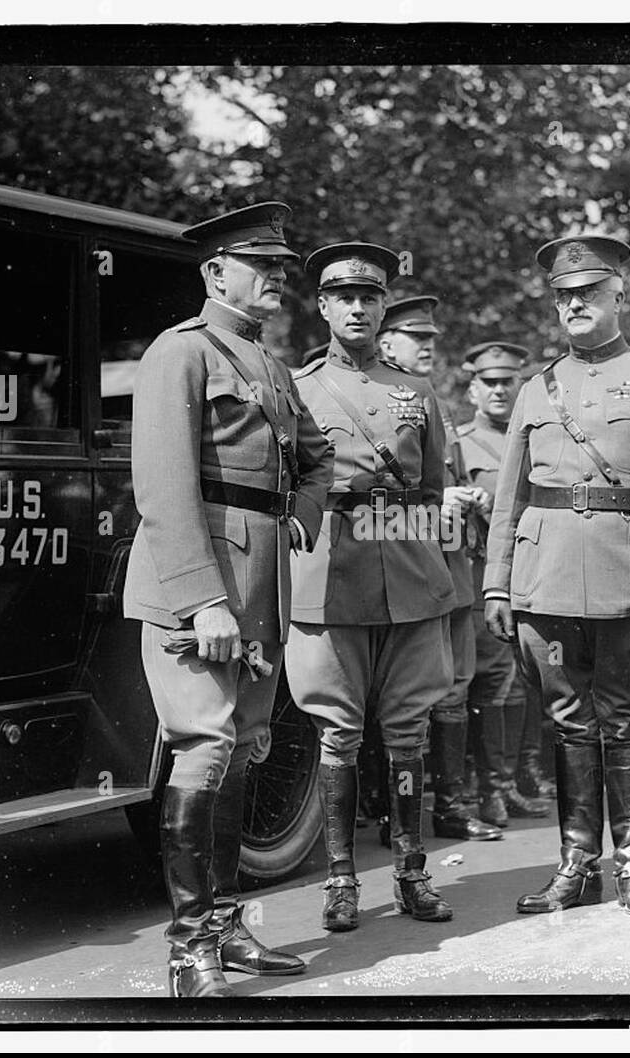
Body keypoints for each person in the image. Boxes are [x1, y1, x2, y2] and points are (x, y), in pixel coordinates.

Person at [123, 203, 335, 998]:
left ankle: (225, 924)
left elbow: (319, 460)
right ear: (216, 273)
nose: (279, 278)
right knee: (205, 743)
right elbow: (164, 487)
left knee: (245, 744)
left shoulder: (271, 366)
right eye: (263, 265)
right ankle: (187, 948)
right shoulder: (179, 353)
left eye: (282, 267)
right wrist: (203, 600)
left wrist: (300, 522)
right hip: (201, 585)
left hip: (261, 584)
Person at [484, 234, 630, 917]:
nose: (575, 305)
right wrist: (498, 583)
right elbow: (509, 497)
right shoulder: (535, 389)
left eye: (589, 293)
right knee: (566, 722)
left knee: (623, 721)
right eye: (564, 296)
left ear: (620, 295)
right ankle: (576, 864)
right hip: (546, 576)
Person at [288, 245, 458, 931]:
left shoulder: (417, 392)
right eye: (342, 296)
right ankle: (340, 879)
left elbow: (436, 485)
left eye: (370, 295)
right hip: (330, 572)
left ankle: (413, 871)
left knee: (409, 729)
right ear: (323, 307)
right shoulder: (297, 387)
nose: (357, 307)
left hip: (411, 574)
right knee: (337, 732)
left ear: (384, 306)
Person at [380, 296, 513, 840]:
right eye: (416, 338)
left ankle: (451, 809)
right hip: (401, 574)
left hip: (451, 573)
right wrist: (439, 507)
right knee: (403, 699)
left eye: (431, 336)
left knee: (457, 687)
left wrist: (463, 503)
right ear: (387, 344)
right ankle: (397, 816)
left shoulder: (431, 405)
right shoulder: (380, 407)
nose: (429, 345)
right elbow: (373, 501)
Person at [457, 341, 556, 828]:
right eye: (489, 383)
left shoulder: (541, 438)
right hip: (485, 576)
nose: (499, 391)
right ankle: (490, 789)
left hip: (538, 575)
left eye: (507, 382)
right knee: (493, 678)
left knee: (529, 677)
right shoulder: (460, 444)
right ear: (473, 389)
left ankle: (517, 779)